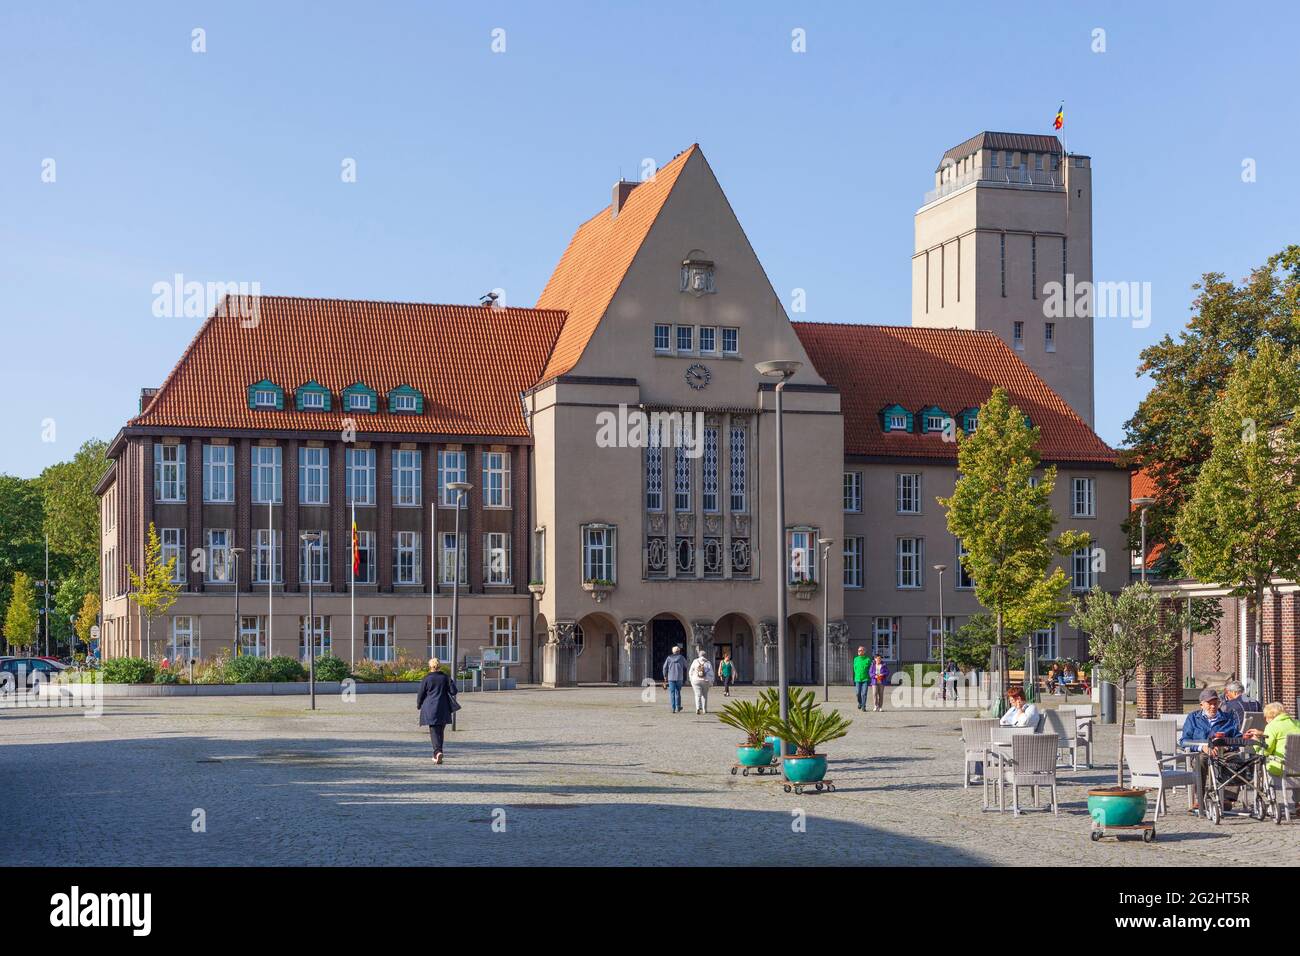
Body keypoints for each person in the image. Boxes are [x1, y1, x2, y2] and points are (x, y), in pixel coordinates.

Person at [1181, 688, 1243, 811]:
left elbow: (1238, 738)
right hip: (1202, 753)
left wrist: (1227, 746)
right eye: (1209, 703)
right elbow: (1184, 741)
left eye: (1215, 703)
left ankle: (1227, 797)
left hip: (1224, 752)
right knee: (1200, 761)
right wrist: (1202, 747)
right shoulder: (1193, 718)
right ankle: (1200, 798)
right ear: (1201, 705)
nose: (1213, 706)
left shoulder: (1228, 717)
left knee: (1237, 761)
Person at [416, 657, 459, 764]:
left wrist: (419, 705)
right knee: (440, 731)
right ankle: (439, 752)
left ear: (430, 667)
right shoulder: (445, 677)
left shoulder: (427, 678)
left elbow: (421, 694)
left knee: (434, 732)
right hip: (443, 708)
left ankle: (437, 752)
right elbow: (454, 691)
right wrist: (449, 682)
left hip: (430, 708)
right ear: (439, 666)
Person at [1245, 701, 1300, 778]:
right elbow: (1282, 735)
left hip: (1281, 768)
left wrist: (1255, 741)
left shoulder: (1272, 726)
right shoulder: (1297, 723)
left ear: (1270, 715)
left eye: (1266, 717)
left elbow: (1265, 752)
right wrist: (1263, 733)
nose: (1265, 720)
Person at [662, 645, 688, 714]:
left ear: (673, 651)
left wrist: (665, 675)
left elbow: (664, 668)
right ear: (679, 651)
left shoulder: (669, 658)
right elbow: (686, 665)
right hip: (679, 677)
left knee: (672, 693)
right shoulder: (681, 657)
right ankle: (678, 707)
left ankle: (673, 708)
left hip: (671, 677)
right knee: (678, 692)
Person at [688, 650, 714, 714]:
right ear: (705, 655)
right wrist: (711, 681)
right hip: (705, 680)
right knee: (704, 695)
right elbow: (711, 673)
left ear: (699, 655)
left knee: (697, 695)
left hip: (696, 680)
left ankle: (697, 708)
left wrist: (691, 679)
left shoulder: (695, 661)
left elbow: (690, 671)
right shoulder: (708, 662)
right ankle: (704, 709)